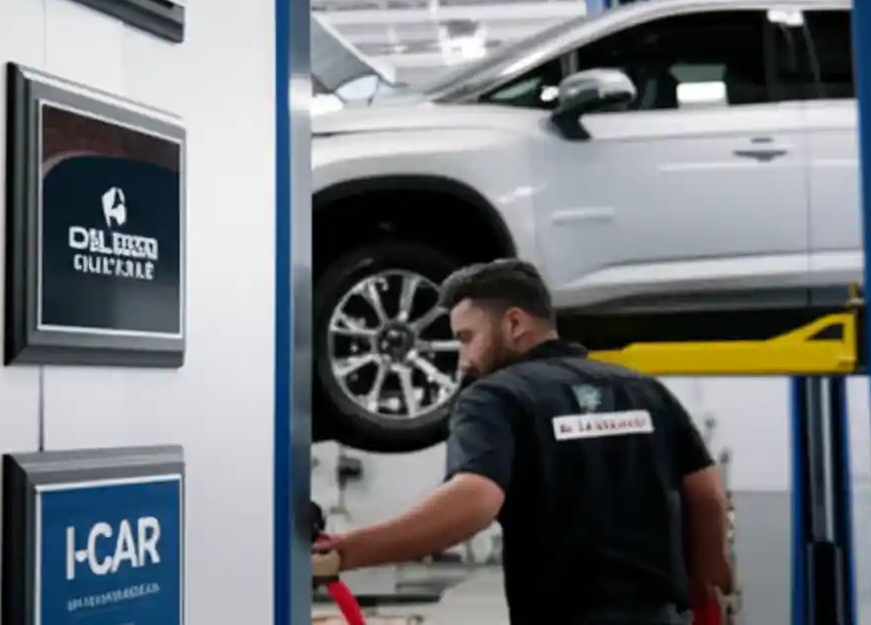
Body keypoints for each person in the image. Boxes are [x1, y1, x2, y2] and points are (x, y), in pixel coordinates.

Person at [312, 258, 734, 625]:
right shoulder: (643, 390)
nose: (464, 361)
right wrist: (707, 588)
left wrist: (347, 551)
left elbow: (473, 501)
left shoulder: (495, 396)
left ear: (514, 323)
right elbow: (707, 495)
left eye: (466, 338)